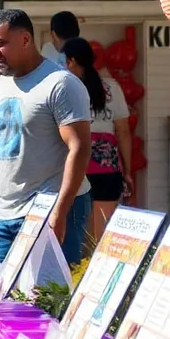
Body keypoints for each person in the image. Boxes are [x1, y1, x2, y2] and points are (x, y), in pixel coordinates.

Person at [0, 9, 93, 267]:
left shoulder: (60, 83)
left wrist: (60, 211)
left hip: (49, 209)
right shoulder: (0, 84)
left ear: (25, 39)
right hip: (5, 212)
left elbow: (79, 147)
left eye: (0, 43)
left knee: (47, 298)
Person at [63, 37, 132, 241]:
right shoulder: (112, 87)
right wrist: (127, 172)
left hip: (75, 166)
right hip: (107, 167)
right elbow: (124, 132)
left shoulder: (66, 88)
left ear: (71, 61)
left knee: (76, 235)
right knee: (100, 236)